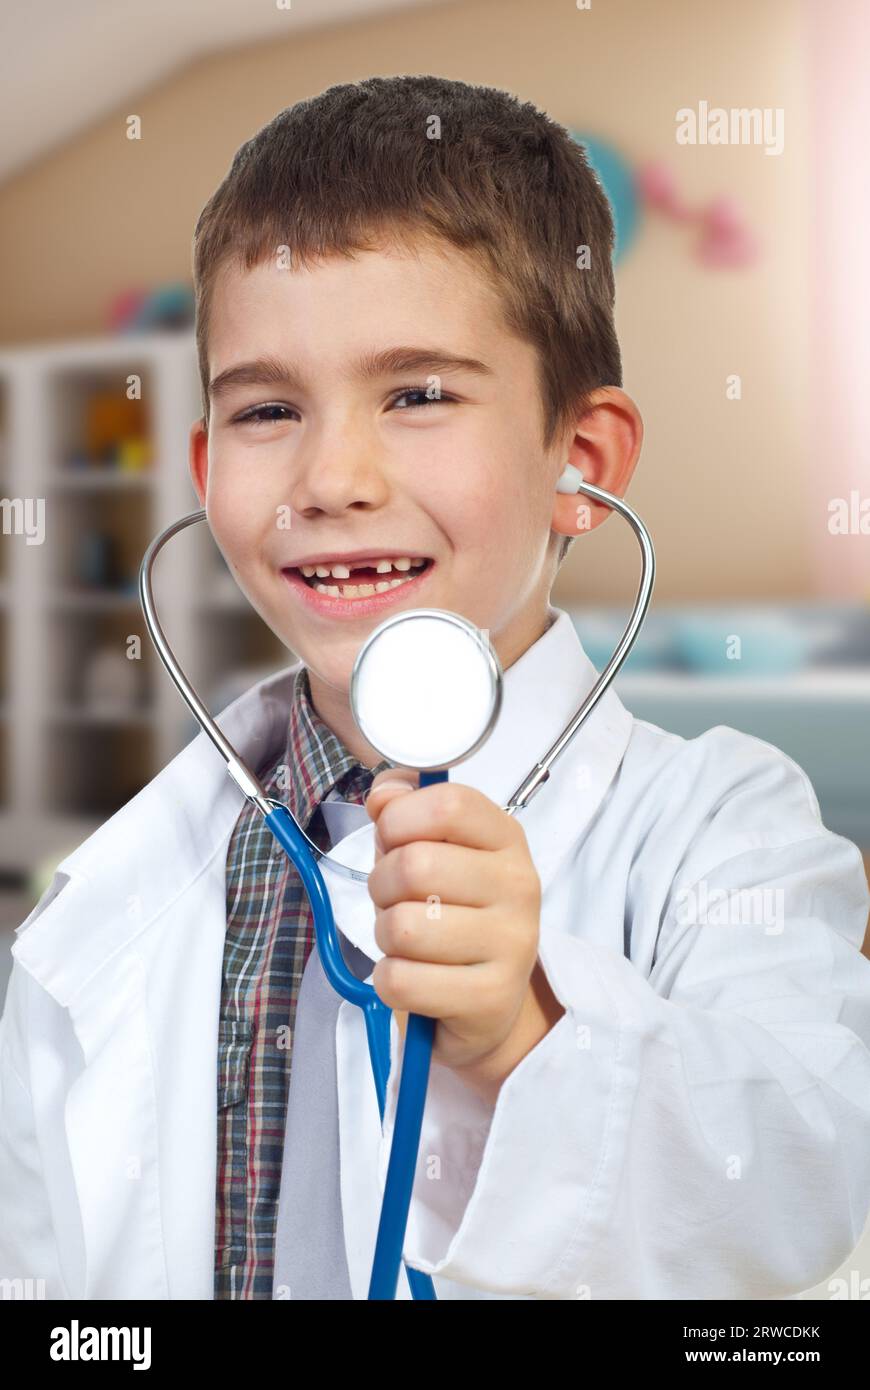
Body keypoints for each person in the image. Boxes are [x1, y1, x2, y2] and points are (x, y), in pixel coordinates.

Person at [2, 75, 869, 1302]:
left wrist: (527, 1039)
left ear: (582, 460)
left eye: (417, 393)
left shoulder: (723, 830)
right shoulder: (114, 893)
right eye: (266, 408)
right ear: (205, 471)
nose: (331, 475)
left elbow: (800, 1188)